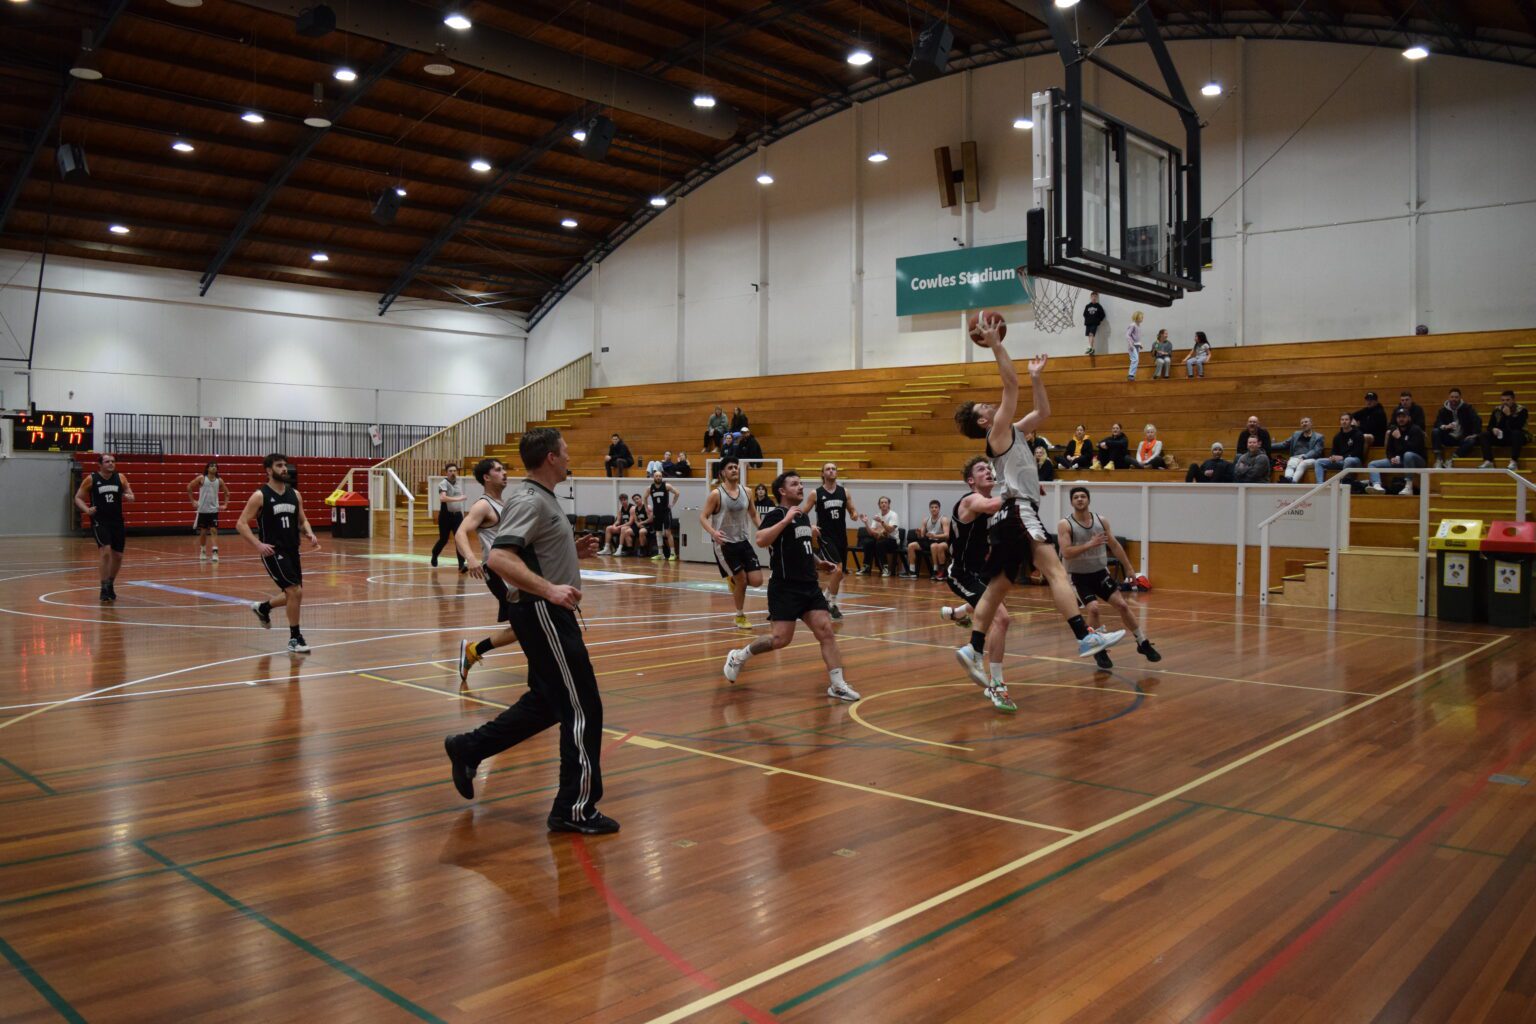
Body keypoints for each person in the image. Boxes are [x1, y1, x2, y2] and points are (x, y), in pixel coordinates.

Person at [442, 428, 617, 834]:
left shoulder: (543, 499)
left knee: (547, 702)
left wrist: (573, 551)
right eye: (566, 451)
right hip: (543, 613)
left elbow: (533, 551)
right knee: (582, 708)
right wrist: (551, 590)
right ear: (552, 458)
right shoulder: (529, 499)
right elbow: (501, 557)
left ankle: (469, 747)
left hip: (545, 612)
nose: (570, 456)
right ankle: (574, 808)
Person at [952, 321, 1123, 678]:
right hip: (1019, 510)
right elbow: (1008, 385)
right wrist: (997, 345)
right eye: (988, 406)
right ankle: (1083, 637)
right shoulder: (998, 431)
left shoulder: (1012, 431)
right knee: (1056, 571)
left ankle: (973, 647)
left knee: (999, 585)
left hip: (1011, 514)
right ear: (984, 420)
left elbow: (1043, 413)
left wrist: (1036, 378)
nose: (993, 406)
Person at [721, 470, 860, 702]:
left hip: (809, 586)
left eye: (801, 483)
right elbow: (761, 540)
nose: (801, 487)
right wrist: (785, 521)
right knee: (780, 640)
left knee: (826, 631)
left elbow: (802, 546)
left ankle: (837, 685)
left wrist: (818, 562)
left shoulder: (803, 516)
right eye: (795, 484)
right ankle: (738, 656)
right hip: (785, 588)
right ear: (782, 491)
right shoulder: (777, 514)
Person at [938, 457, 1017, 713]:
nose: (988, 471)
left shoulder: (990, 508)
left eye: (989, 468)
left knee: (992, 606)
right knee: (1001, 619)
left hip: (982, 572)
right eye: (981, 469)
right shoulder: (971, 500)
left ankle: (956, 613)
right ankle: (996, 684)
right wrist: (1021, 491)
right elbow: (994, 504)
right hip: (961, 574)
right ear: (971, 480)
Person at [1058, 485, 1161, 670]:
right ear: (1072, 502)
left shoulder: (1100, 520)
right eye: (1076, 497)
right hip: (1079, 577)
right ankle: (1098, 649)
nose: (1080, 499)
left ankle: (1142, 642)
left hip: (1100, 573)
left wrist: (1130, 568)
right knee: (1094, 609)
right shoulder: (1065, 524)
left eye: (1083, 496)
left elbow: (1114, 545)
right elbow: (1066, 552)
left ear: (1089, 500)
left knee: (1122, 605)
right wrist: (1090, 544)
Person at [239, 453, 320, 654]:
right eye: (279, 465)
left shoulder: (295, 494)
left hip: (293, 549)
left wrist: (309, 532)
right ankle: (295, 638)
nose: (284, 469)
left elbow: (303, 520)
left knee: (293, 594)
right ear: (268, 470)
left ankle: (264, 608)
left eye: (285, 465)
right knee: (295, 591)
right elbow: (240, 524)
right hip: (273, 551)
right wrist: (258, 544)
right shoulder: (260, 495)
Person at [453, 458, 520, 684]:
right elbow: (461, 532)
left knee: (524, 625)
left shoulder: (504, 503)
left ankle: (474, 650)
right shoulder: (483, 505)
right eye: (499, 470)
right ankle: (473, 650)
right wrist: (471, 558)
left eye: (504, 469)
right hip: (498, 573)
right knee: (526, 623)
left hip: (513, 571)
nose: (505, 473)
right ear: (486, 477)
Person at [699, 460, 763, 630]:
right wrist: (713, 533)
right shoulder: (716, 494)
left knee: (757, 581)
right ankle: (740, 616)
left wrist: (764, 530)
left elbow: (754, 513)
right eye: (730, 468)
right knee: (741, 580)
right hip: (725, 544)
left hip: (743, 541)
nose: (734, 470)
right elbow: (703, 517)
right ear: (722, 473)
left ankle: (733, 579)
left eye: (736, 467)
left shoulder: (747, 491)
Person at [75, 452, 135, 602]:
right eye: (107, 461)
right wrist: (87, 510)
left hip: (117, 521)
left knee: (118, 556)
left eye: (113, 461)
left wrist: (130, 497)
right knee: (106, 551)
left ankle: (110, 583)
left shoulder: (120, 478)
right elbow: (78, 497)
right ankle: (103, 587)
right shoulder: (92, 479)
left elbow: (130, 493)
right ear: (100, 465)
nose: (111, 464)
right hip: (100, 521)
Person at [812, 463, 855, 619]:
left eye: (834, 469)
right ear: (822, 473)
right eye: (828, 469)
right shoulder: (816, 493)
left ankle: (824, 598)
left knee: (840, 574)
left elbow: (852, 509)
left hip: (841, 536)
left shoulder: (844, 492)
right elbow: (802, 512)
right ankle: (832, 604)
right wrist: (811, 526)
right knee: (837, 570)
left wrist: (855, 515)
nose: (831, 471)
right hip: (826, 536)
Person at [1366, 407, 1427, 495]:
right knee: (1372, 464)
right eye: (1399, 417)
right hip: (1400, 461)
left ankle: (1408, 486)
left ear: (1408, 418)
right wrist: (1392, 458)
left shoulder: (1415, 430)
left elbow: (1414, 449)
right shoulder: (1394, 431)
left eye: (1403, 417)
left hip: (1417, 461)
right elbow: (1389, 450)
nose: (1401, 419)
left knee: (1408, 455)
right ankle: (1377, 486)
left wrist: (1400, 438)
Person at [186, 460, 228, 562]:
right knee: (203, 532)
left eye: (215, 466)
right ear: (207, 468)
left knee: (214, 530)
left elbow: (227, 492)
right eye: (211, 466)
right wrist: (192, 501)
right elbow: (189, 487)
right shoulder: (202, 478)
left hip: (213, 510)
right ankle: (203, 551)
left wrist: (225, 504)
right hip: (202, 510)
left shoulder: (219, 481)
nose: (214, 468)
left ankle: (215, 552)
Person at [431, 462, 468, 571]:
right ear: (446, 473)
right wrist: (459, 498)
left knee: (459, 539)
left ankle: (461, 564)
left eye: (454, 471)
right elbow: (443, 498)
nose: (453, 473)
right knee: (444, 539)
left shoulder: (459, 483)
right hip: (445, 516)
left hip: (457, 516)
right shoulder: (443, 483)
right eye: (450, 471)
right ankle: (434, 554)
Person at [1431, 388, 1481, 467]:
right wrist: (1445, 426)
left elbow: (1477, 420)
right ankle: (1438, 459)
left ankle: (1452, 459)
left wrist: (1475, 434)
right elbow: (1437, 423)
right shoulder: (1443, 410)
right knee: (1435, 431)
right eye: (1452, 397)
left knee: (1471, 441)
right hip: (1449, 437)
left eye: (1456, 397)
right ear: (1448, 398)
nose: (1454, 399)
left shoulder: (1467, 408)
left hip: (1463, 437)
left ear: (1460, 398)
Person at [1481, 390, 1528, 470]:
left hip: (1518, 436)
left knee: (1516, 433)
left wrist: (1509, 415)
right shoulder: (1497, 410)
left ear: (1513, 400)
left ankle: (1514, 461)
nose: (1505, 402)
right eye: (1503, 400)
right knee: (1484, 435)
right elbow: (1489, 426)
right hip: (1501, 436)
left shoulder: (1522, 410)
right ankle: (1488, 461)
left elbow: (1518, 426)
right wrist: (1493, 429)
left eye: (1507, 400)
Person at [1316, 412, 1367, 485]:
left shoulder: (1358, 434)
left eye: (1346, 420)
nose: (1344, 421)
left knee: (1348, 460)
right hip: (1341, 461)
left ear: (1351, 421)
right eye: (1342, 420)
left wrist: (1343, 457)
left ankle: (1343, 482)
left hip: (1355, 460)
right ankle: (1320, 484)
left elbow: (1357, 452)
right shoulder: (1337, 436)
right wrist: (1332, 456)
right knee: (1318, 462)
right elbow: (1334, 450)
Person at [857, 496, 902, 577]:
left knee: (880, 543)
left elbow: (890, 530)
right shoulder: (877, 516)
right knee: (868, 543)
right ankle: (866, 567)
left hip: (893, 541)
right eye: (882, 502)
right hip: (880, 539)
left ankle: (886, 569)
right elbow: (871, 533)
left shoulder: (893, 515)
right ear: (879, 505)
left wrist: (881, 522)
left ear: (889, 505)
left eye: (886, 502)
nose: (884, 504)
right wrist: (866, 523)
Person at [908, 499, 951, 581]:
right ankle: (912, 571)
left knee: (933, 546)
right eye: (932, 507)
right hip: (929, 540)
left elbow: (947, 535)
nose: (934, 509)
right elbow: (922, 535)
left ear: (939, 509)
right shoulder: (925, 519)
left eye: (936, 507)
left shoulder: (944, 519)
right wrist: (919, 533)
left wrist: (935, 535)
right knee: (911, 545)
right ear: (929, 509)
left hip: (940, 540)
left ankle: (935, 570)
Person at [1274, 417, 1324, 483]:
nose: (1304, 424)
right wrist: (1269, 445)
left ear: (1311, 424)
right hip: (1296, 457)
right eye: (1302, 423)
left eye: (1306, 422)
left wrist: (1304, 457)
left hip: (1311, 459)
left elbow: (1316, 451)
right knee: (1291, 463)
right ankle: (1288, 479)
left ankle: (1293, 482)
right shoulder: (1296, 435)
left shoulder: (1319, 437)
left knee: (1302, 464)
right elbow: (1284, 444)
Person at [645, 471, 680, 561]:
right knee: (658, 533)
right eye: (656, 476)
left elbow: (677, 493)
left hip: (666, 512)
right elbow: (645, 497)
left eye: (660, 476)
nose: (658, 477)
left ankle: (673, 553)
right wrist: (646, 508)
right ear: (653, 477)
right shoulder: (650, 488)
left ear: (662, 477)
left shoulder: (666, 486)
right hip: (656, 512)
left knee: (668, 532)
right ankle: (660, 554)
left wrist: (672, 504)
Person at [1082, 291, 1105, 355]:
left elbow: (1102, 315)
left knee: (1091, 334)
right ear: (1090, 297)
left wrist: (1098, 320)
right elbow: (1084, 314)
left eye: (1095, 297)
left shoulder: (1098, 306)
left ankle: (1090, 347)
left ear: (1097, 298)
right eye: (1092, 296)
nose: (1094, 298)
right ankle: (1091, 348)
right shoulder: (1087, 306)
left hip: (1094, 323)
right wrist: (1088, 319)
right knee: (1089, 335)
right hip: (1088, 323)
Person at [1125, 311, 1144, 382]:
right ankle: (1130, 375)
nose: (1142, 318)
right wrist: (1131, 344)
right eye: (1141, 317)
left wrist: (1140, 344)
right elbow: (1127, 335)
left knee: (1136, 359)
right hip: (1132, 346)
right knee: (1135, 359)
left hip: (1136, 345)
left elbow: (1137, 337)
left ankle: (1132, 374)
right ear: (1137, 317)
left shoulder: (1138, 326)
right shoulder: (1133, 325)